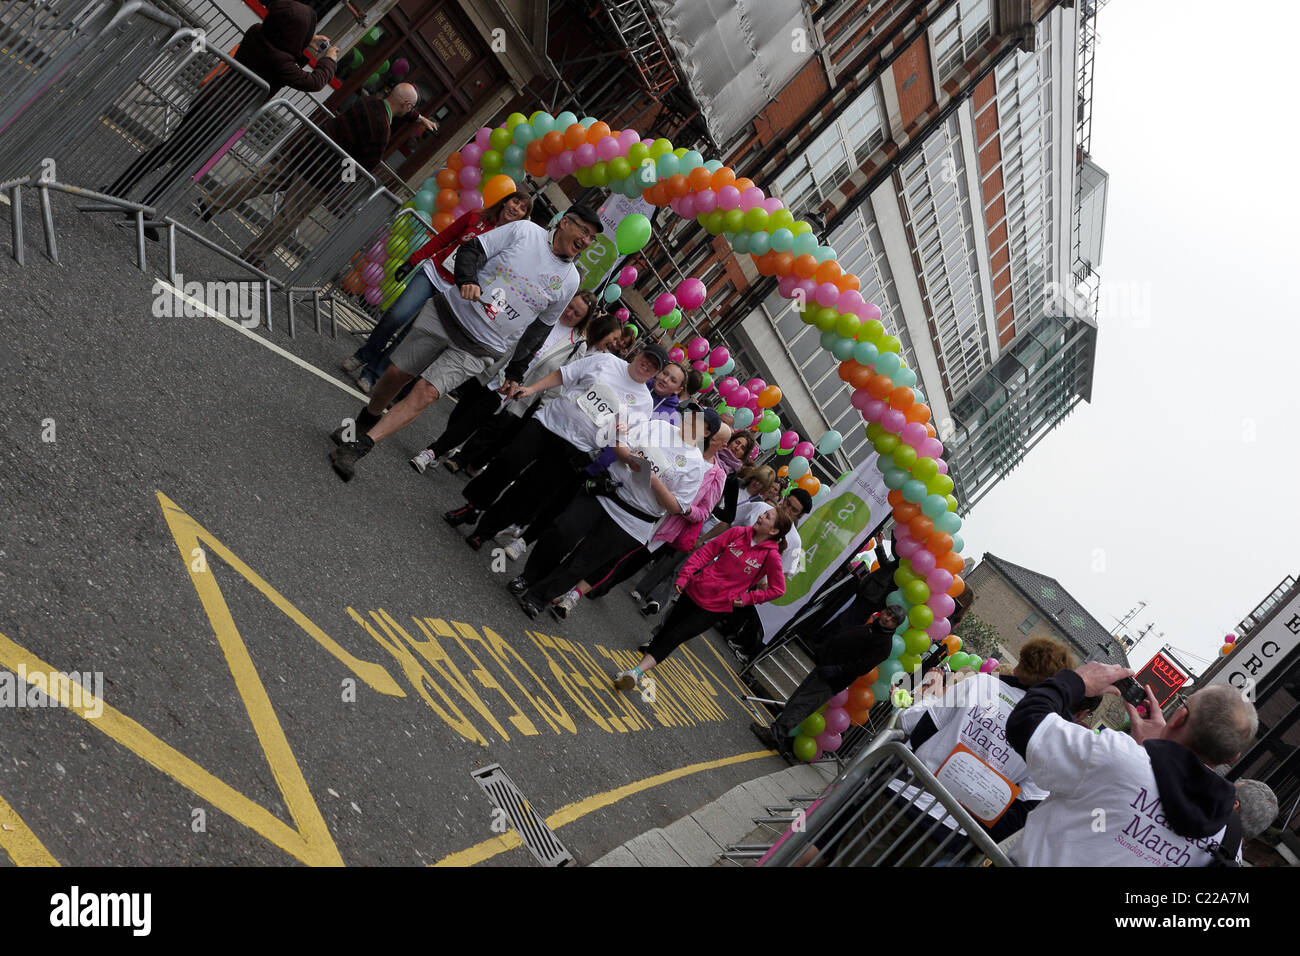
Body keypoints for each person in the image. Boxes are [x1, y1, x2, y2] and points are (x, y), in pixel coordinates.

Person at [328, 203, 600, 481]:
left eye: (593, 238)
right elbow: (471, 249)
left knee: (427, 392)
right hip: (449, 313)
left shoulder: (569, 281)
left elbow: (538, 331)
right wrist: (467, 279)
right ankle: (367, 419)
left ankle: (358, 448)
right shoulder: (524, 231)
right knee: (397, 373)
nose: (587, 241)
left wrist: (516, 372)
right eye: (585, 231)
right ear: (565, 222)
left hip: (482, 346)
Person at [1005, 662, 1258, 866]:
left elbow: (1027, 722)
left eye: (1182, 704)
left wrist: (1078, 681)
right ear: (1231, 757)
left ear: (1179, 717)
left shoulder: (1116, 757)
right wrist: (1155, 751)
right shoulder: (1229, 841)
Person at [106, 0, 339, 215]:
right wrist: (329, 59)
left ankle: (134, 200)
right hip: (227, 113)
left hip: (211, 100)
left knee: (175, 153)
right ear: (294, 34)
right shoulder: (281, 61)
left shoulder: (257, 32)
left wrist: (306, 39)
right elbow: (314, 82)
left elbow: (285, 50)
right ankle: (126, 197)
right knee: (177, 157)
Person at [444, 344, 668, 549]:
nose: (647, 365)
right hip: (548, 423)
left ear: (656, 372)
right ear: (638, 353)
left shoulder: (644, 403)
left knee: (529, 489)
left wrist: (619, 432)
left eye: (654, 365)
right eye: (647, 358)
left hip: (577, 448)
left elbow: (623, 445)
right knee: (507, 461)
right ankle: (473, 507)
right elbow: (564, 374)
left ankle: (484, 532)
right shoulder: (607, 361)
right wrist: (532, 389)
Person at [205, 83, 438, 269]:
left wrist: (418, 118)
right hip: (320, 173)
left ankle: (210, 203)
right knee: (289, 216)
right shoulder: (382, 130)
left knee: (259, 182)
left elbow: (399, 105)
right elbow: (363, 165)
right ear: (406, 104)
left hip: (305, 151)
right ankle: (253, 255)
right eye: (410, 107)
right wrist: (341, 183)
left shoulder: (371, 101)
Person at [511, 410, 710, 620]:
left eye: (700, 422)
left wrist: (653, 479)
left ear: (706, 433)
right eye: (692, 416)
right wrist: (630, 459)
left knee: (582, 562)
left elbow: (675, 506)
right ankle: (528, 577)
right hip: (607, 491)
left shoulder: (695, 464)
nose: (691, 421)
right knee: (562, 531)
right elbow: (620, 443)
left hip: (632, 519)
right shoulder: (659, 427)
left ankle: (537, 598)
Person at [342, 190, 534, 393]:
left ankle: (373, 373)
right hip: (433, 273)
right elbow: (444, 238)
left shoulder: (513, 245)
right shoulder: (477, 216)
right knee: (396, 315)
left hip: (453, 292)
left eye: (523, 208)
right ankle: (363, 355)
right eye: (515, 202)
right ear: (505, 202)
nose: (516, 208)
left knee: (411, 334)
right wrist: (413, 260)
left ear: (523, 217)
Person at [898, 637, 1075, 842]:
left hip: (909, 792)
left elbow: (923, 729)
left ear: (1022, 663)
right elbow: (1027, 805)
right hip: (954, 831)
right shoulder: (1051, 732)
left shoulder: (981, 683)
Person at [409, 290, 596, 473]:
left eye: (576, 313)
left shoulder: (578, 344)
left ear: (583, 320)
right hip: (494, 368)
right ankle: (447, 445)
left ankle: (432, 452)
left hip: (515, 387)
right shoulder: (546, 317)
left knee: (474, 417)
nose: (569, 313)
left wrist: (543, 410)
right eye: (569, 306)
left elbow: (562, 379)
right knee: (462, 411)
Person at [613, 506, 791, 692]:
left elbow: (778, 589)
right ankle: (636, 671)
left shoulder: (771, 556)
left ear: (773, 531)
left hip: (717, 607)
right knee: (667, 630)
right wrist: (685, 575)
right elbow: (706, 552)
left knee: (676, 636)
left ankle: (635, 672)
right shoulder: (738, 533)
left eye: (767, 516)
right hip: (695, 589)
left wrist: (747, 598)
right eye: (764, 513)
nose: (761, 516)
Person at [436, 312, 624, 485]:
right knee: (493, 423)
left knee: (506, 432)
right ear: (602, 330)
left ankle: (474, 463)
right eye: (614, 338)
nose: (615, 344)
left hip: (544, 400)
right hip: (530, 383)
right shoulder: (578, 342)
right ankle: (460, 457)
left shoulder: (601, 358)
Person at [751, 604, 906, 756]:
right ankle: (776, 733)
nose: (887, 618)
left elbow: (861, 667)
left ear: (896, 625)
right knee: (797, 699)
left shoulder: (883, 644)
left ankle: (775, 735)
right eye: (888, 613)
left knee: (802, 704)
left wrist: (836, 670)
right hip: (826, 666)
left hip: (833, 677)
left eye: (893, 619)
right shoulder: (872, 626)